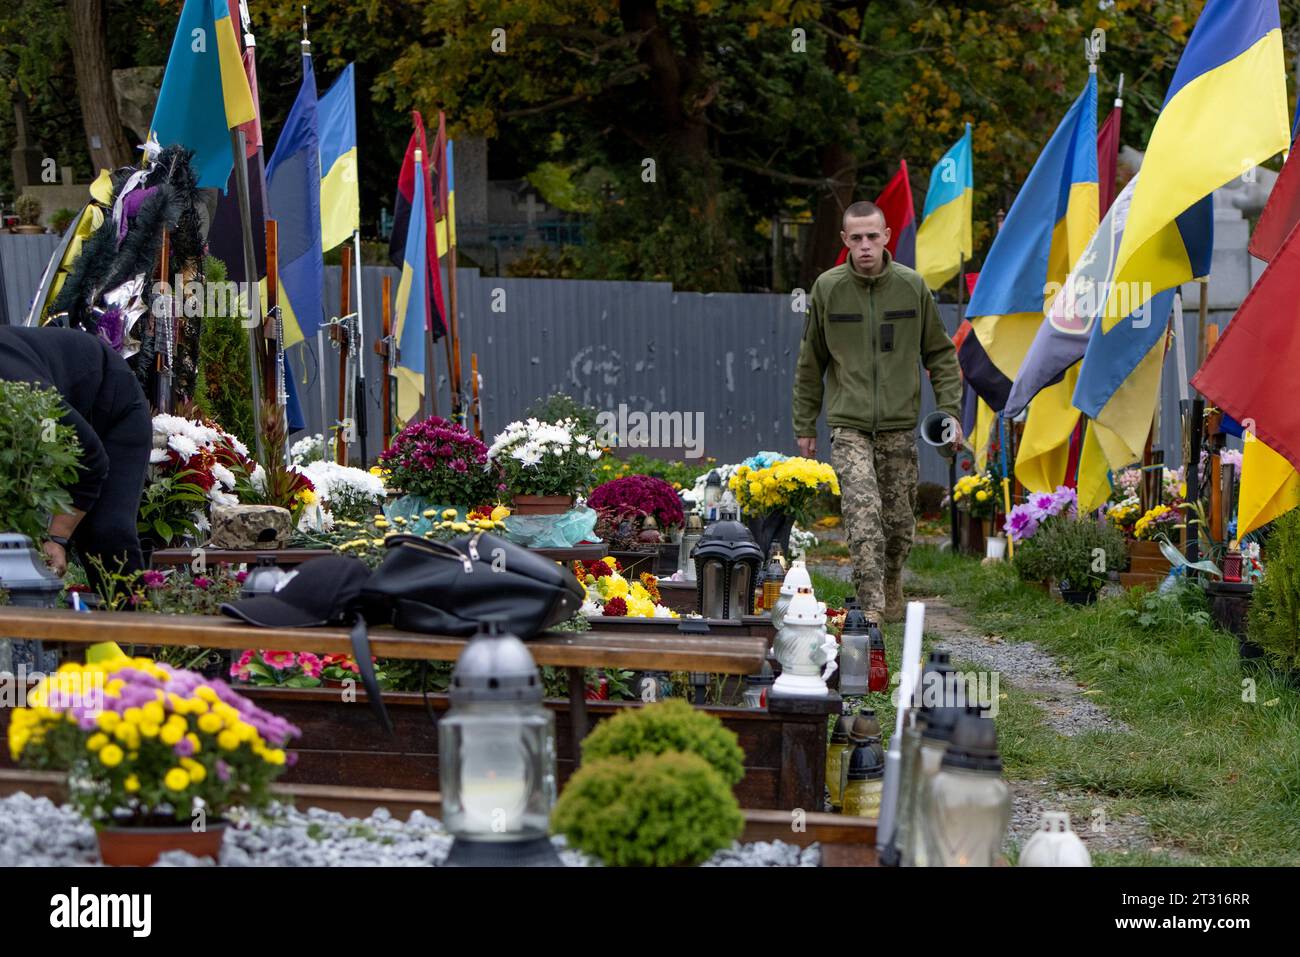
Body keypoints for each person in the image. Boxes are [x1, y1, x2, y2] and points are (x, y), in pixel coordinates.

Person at [792, 200, 963, 622]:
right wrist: (804, 423)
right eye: (857, 238)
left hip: (899, 426)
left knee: (899, 522)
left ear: (887, 235)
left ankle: (891, 584)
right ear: (845, 241)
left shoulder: (912, 287)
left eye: (873, 236)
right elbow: (811, 360)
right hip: (848, 423)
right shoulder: (828, 289)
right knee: (862, 510)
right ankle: (870, 610)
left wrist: (950, 412)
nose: (865, 245)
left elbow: (941, 354)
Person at [0, 326, 152, 589]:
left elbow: (91, 458)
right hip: (59, 417)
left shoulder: (22, 388)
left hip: (112, 411)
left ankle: (134, 622)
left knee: (105, 534)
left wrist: (57, 538)